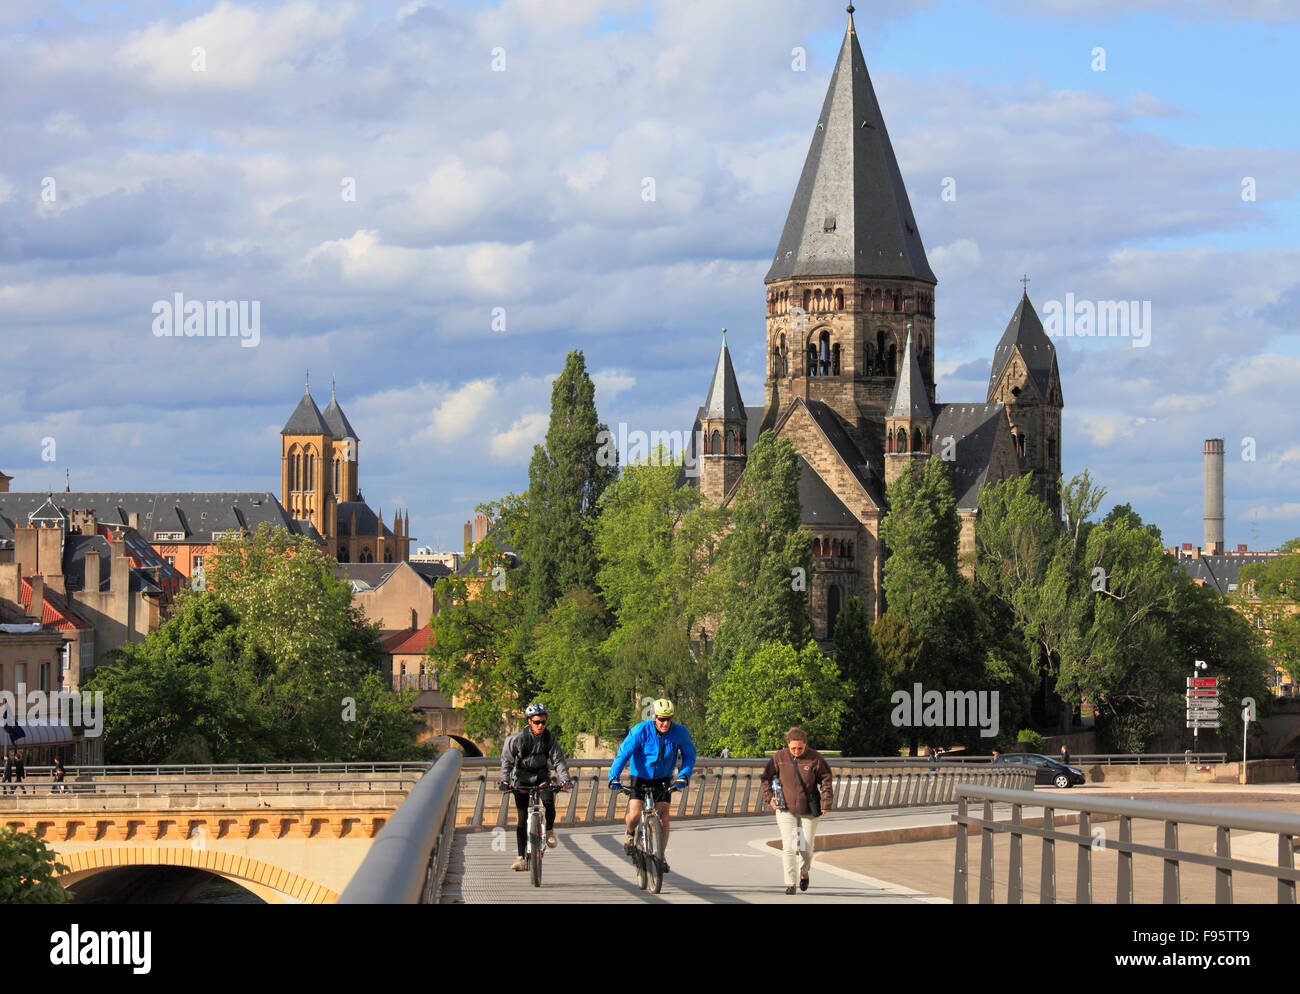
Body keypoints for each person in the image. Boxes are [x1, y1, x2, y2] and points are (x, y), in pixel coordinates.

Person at [608, 698, 696, 874]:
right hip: (640, 776)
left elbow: (689, 756)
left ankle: (661, 855)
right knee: (634, 812)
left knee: (663, 814)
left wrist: (683, 776)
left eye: (669, 719)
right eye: (661, 719)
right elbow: (623, 754)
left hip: (663, 777)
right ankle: (629, 832)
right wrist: (613, 777)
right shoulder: (640, 730)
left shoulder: (680, 732)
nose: (665, 723)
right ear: (654, 717)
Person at [499, 702, 572, 872]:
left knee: (549, 801)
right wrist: (504, 781)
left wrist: (565, 780)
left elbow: (558, 760)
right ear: (529, 721)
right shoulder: (516, 740)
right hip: (522, 777)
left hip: (541, 775)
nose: (541, 726)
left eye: (543, 722)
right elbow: (507, 762)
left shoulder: (549, 738)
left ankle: (550, 830)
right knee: (522, 816)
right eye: (537, 722)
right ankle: (521, 858)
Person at [762, 727, 833, 894]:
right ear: (788, 744)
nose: (796, 751)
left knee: (806, 848)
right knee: (789, 845)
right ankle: (790, 883)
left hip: (809, 808)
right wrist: (769, 797)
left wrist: (826, 802)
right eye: (793, 748)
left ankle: (804, 871)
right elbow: (765, 778)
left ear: (805, 745)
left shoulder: (816, 758)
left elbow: (826, 780)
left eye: (800, 748)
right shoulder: (779, 757)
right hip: (785, 807)